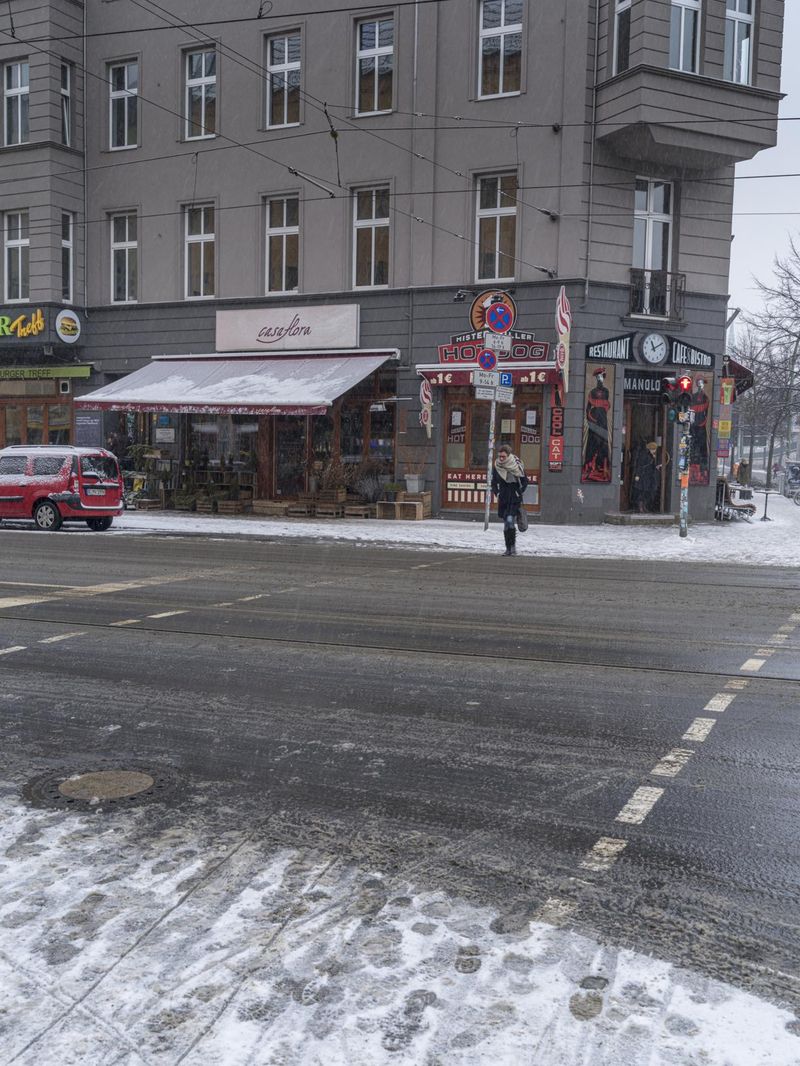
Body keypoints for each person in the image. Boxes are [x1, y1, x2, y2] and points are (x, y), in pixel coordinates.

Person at [491, 444, 528, 556]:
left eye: (503, 456)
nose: (501, 459)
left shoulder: (516, 465)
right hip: (503, 498)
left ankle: (512, 547)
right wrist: (497, 493)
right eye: (500, 456)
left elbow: (525, 481)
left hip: (514, 497)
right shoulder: (497, 466)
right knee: (506, 523)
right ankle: (508, 548)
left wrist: (519, 492)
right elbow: (493, 482)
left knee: (510, 520)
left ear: (508, 455)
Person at [630, 441, 660, 513]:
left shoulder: (652, 456)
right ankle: (640, 507)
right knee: (642, 492)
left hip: (649, 477)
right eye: (653, 449)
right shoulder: (644, 455)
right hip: (643, 476)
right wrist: (637, 475)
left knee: (647, 492)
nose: (654, 451)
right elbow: (640, 465)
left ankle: (644, 506)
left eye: (655, 449)